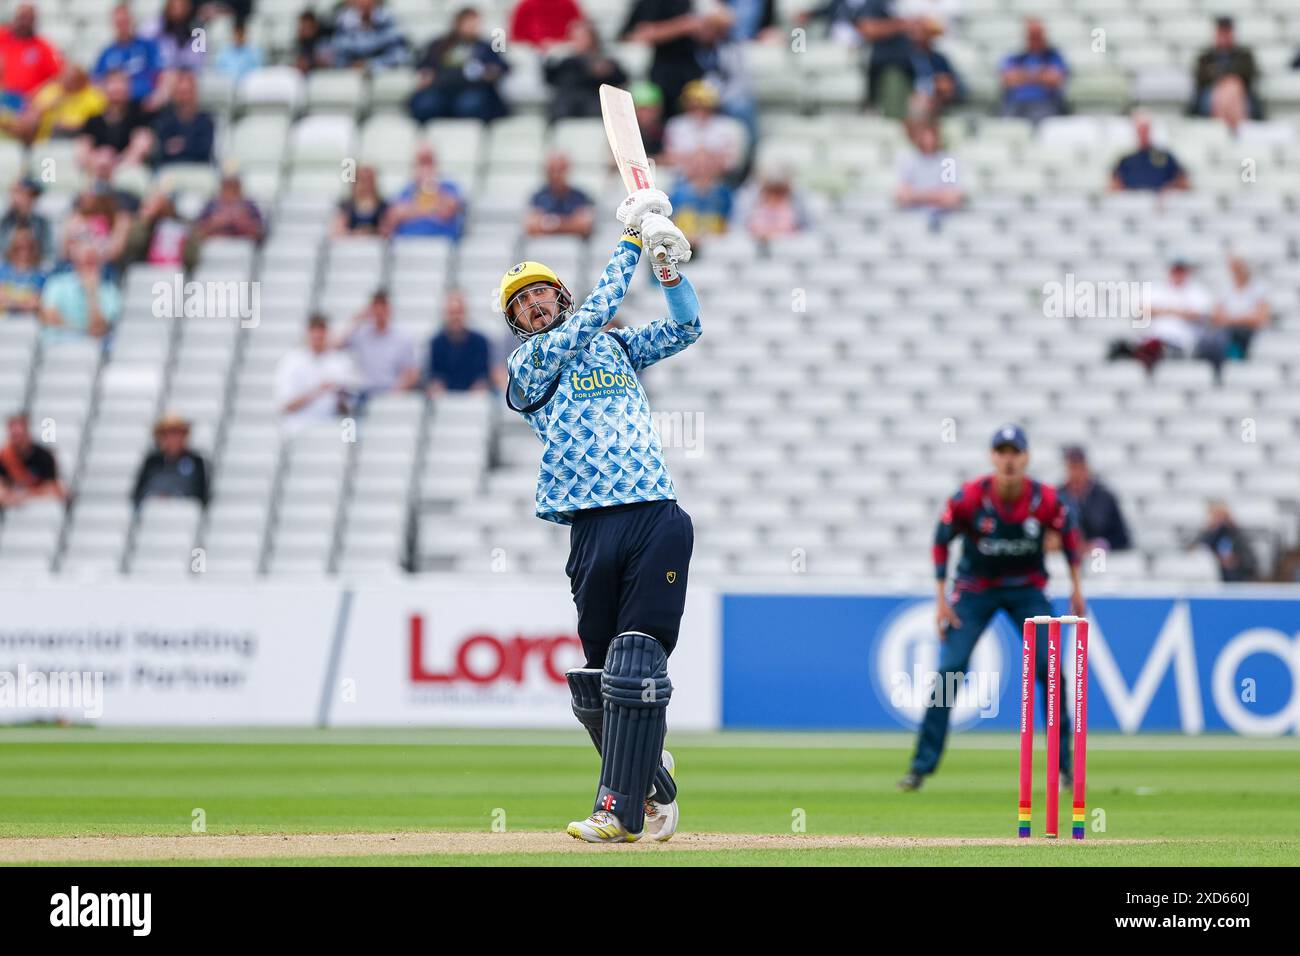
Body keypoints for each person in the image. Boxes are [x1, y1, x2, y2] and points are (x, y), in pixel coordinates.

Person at [500, 187, 699, 843]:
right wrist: (633, 237)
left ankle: (617, 813)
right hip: (590, 528)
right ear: (520, 323)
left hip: (653, 516)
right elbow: (596, 315)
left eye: (541, 293)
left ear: (558, 295)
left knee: (636, 659)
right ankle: (654, 784)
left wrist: (669, 272)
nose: (534, 304)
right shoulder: (530, 364)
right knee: (597, 682)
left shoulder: (613, 348)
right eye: (521, 303)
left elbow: (685, 328)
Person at [899, 424, 1085, 792]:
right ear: (992, 457)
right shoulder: (969, 497)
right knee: (950, 669)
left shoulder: (1045, 500)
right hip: (974, 591)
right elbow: (940, 542)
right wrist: (940, 598)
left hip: (1028, 590)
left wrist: (1077, 588)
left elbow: (1070, 538)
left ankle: (1065, 767)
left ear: (1026, 457)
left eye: (1015, 452)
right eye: (1001, 452)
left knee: (1050, 671)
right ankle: (920, 768)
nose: (1008, 459)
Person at [1108, 259, 1212, 370]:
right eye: (1175, 270)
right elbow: (1139, 311)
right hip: (1156, 339)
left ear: (1187, 272)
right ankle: (1143, 352)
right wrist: (1176, 311)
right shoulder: (1156, 289)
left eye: (1180, 270)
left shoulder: (1197, 292)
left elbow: (1202, 315)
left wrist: (1164, 311)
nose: (1177, 273)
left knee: (1158, 347)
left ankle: (1144, 352)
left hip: (1181, 343)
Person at [409, 7, 509, 122]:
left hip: (473, 89)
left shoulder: (485, 47)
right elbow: (425, 66)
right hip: (440, 89)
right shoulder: (439, 45)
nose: (473, 27)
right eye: (469, 23)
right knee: (426, 104)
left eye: (475, 24)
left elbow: (501, 67)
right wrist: (426, 74)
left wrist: (491, 72)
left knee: (471, 105)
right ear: (458, 23)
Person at [274, 314, 362, 437]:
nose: (318, 339)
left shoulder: (341, 362)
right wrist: (318, 391)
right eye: (314, 335)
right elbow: (286, 406)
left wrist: (341, 397)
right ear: (308, 334)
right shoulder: (291, 362)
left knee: (351, 429)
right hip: (299, 428)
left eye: (321, 335)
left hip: (332, 428)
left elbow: (352, 404)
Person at [620, 0, 704, 120]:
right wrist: (683, 25)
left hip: (689, 70)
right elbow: (635, 35)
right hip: (658, 72)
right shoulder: (648, 3)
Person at [543, 19, 628, 122]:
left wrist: (606, 71)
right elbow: (550, 79)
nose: (578, 41)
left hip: (593, 105)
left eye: (582, 37)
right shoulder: (565, 62)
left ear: (592, 38)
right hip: (566, 107)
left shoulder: (604, 61)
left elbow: (621, 79)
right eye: (574, 38)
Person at [340, 290, 420, 398]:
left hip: (390, 392)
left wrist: (394, 393)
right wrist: (358, 320)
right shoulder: (361, 334)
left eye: (383, 307)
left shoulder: (403, 338)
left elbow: (412, 372)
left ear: (389, 310)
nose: (379, 312)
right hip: (364, 393)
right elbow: (336, 345)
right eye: (376, 307)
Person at [39, 241, 121, 345]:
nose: (89, 266)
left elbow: (98, 329)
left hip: (92, 349)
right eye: (86, 260)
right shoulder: (57, 283)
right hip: (58, 346)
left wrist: (92, 294)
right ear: (76, 262)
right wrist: (82, 332)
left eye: (93, 260)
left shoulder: (111, 291)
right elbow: (50, 317)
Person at [663, 79, 746, 180]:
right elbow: (670, 158)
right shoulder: (675, 125)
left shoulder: (730, 126)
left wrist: (706, 163)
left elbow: (734, 162)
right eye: (694, 106)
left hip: (721, 180)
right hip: (682, 179)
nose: (699, 111)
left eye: (704, 105)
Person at [1197, 256, 1269, 365]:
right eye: (1235, 266)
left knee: (1225, 337)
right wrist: (1241, 318)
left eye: (1240, 266)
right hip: (1228, 331)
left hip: (1246, 332)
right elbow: (1216, 316)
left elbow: (1260, 318)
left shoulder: (1258, 289)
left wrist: (1232, 319)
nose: (1238, 270)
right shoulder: (1225, 287)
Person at [1057, 446, 1131, 553]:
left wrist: (1101, 544)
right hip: (1064, 558)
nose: (1077, 474)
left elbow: (1122, 537)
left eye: (1080, 468)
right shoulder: (1056, 497)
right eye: (1073, 468)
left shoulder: (1105, 498)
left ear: (1087, 468)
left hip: (1100, 558)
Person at [1191, 16, 1260, 131]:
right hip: (1212, 96)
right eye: (1221, 32)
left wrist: (1222, 76)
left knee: (1232, 86)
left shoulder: (1244, 55)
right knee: (1227, 89)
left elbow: (1247, 74)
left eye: (1226, 32)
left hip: (1238, 96)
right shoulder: (1205, 57)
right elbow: (1202, 77)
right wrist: (1226, 81)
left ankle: (1223, 130)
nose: (1224, 36)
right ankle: (1230, 130)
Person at [382, 146, 466, 240]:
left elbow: (447, 212)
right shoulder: (405, 190)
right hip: (407, 242)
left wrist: (431, 186)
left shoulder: (449, 186)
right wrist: (430, 208)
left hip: (440, 243)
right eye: (421, 162)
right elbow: (391, 220)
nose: (425, 167)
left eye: (428, 161)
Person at [78, 69, 155, 170]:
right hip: (98, 167)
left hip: (128, 167)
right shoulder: (93, 119)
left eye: (121, 82)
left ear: (129, 88)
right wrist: (98, 159)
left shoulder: (140, 114)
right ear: (103, 88)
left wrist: (116, 161)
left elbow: (142, 143)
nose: (117, 87)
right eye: (112, 83)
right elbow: (83, 149)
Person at [131, 412, 209, 508]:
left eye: (176, 433)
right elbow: (138, 493)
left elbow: (201, 495)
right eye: (168, 434)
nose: (173, 439)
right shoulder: (152, 461)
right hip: (154, 512)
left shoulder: (196, 461)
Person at [999, 18, 1067, 123]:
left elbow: (1054, 79)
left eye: (1037, 36)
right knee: (1006, 125)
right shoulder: (1016, 56)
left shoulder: (1053, 56)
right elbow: (1009, 80)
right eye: (1032, 36)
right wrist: (1040, 74)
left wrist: (1023, 75)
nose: (1035, 39)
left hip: (1044, 104)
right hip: (1015, 104)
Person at [92, 4, 162, 104]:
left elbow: (161, 73)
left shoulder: (147, 46)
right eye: (119, 22)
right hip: (117, 105)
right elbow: (96, 81)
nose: (122, 26)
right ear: (113, 24)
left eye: (125, 21)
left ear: (131, 21)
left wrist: (158, 95)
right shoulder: (107, 53)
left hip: (145, 103)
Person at [426, 290, 490, 394]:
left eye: (459, 312)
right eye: (452, 312)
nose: (455, 317)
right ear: (445, 314)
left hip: (474, 402)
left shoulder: (480, 342)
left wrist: (480, 387)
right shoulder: (436, 343)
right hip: (444, 401)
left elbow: (483, 376)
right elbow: (434, 376)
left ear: (465, 313)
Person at [894, 122, 964, 216]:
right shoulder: (909, 161)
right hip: (913, 218)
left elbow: (951, 198)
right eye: (925, 137)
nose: (928, 141)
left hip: (943, 217)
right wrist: (936, 197)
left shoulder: (948, 162)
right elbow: (902, 196)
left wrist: (917, 196)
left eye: (931, 137)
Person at [150, 69, 214, 166]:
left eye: (187, 93)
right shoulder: (164, 120)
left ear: (194, 94)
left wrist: (183, 145)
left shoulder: (205, 121)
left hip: (198, 169)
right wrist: (191, 144)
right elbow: (161, 150)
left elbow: (204, 149)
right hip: (170, 168)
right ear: (174, 94)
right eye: (180, 93)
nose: (184, 98)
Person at [0, 4, 62, 105]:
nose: (24, 23)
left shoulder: (44, 47)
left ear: (34, 22)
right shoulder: (2, 37)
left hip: (28, 102)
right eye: (21, 17)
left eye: (29, 19)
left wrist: (36, 93)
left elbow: (56, 77)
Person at [0, 412, 65, 507]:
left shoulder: (44, 456)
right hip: (13, 502)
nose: (17, 440)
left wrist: (26, 494)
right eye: (14, 436)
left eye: (19, 435)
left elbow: (52, 485)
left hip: (39, 502)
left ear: (27, 433)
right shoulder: (5, 457)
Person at [1110, 114, 1190, 192]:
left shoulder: (1165, 157)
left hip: (1162, 202)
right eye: (1140, 131)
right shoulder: (1126, 161)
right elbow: (1115, 184)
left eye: (1145, 130)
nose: (1143, 134)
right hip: (1133, 202)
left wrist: (1170, 189)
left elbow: (1183, 181)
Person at [525, 153, 594, 238]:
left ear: (567, 170)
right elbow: (532, 227)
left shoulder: (580, 197)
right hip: (543, 248)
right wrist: (570, 224)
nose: (556, 175)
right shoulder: (538, 197)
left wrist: (551, 224)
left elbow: (584, 226)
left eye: (560, 170)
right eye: (552, 170)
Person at [328, 0, 411, 71]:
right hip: (351, 77)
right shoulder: (343, 23)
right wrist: (352, 66)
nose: (364, 3)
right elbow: (337, 55)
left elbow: (400, 55)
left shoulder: (389, 21)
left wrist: (369, 65)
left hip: (384, 74)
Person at [735, 164, 809, 241]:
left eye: (780, 190)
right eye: (771, 189)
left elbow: (806, 231)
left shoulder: (798, 201)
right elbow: (737, 229)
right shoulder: (748, 199)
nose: (775, 195)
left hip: (790, 248)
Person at [1195, 501, 1259, 582]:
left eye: (1222, 516)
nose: (1220, 521)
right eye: (1217, 516)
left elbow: (1250, 562)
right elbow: (1197, 553)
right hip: (1210, 580)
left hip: (1236, 581)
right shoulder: (1206, 536)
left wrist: (1236, 561)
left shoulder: (1238, 536)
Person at [0, 179, 52, 264]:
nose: (27, 199)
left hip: (34, 270)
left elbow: (48, 252)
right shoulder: (4, 221)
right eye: (23, 194)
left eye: (31, 196)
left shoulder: (42, 223)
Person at [333, 165, 388, 237]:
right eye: (362, 180)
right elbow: (338, 232)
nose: (366, 185)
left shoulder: (383, 206)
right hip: (350, 245)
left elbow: (386, 231)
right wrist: (357, 233)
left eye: (369, 180)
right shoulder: (346, 206)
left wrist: (370, 233)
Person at [0, 228, 46, 314]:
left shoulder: (40, 275)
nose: (24, 251)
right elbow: (1, 299)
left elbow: (35, 303)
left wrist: (10, 302)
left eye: (28, 247)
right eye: (19, 247)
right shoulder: (3, 271)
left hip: (29, 322)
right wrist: (24, 303)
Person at [510, 0, 584, 48]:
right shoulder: (525, 5)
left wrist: (558, 45)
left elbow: (582, 35)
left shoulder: (568, 4)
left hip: (564, 51)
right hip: (533, 52)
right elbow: (516, 37)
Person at [214, 20, 264, 84]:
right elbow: (218, 71)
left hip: (248, 87)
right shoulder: (224, 52)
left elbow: (257, 73)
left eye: (241, 35)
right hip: (226, 87)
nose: (238, 37)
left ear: (245, 34)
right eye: (236, 34)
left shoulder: (254, 52)